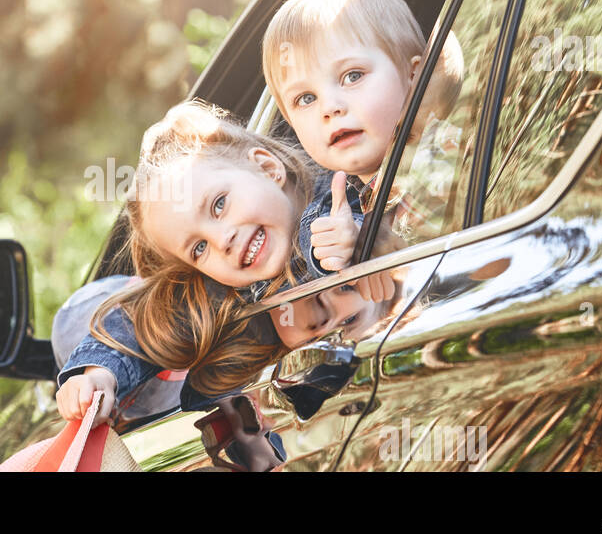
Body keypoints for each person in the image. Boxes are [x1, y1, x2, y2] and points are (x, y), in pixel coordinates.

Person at [56, 102, 390, 423]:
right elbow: (143, 326)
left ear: (267, 167)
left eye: (219, 205)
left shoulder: (341, 194)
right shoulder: (227, 292)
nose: (222, 241)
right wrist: (98, 374)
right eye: (199, 248)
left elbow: (351, 230)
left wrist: (355, 239)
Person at [262, 0, 464, 257]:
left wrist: (365, 247)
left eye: (352, 76)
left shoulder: (444, 151)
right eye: (306, 98)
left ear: (413, 75)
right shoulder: (327, 203)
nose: (330, 108)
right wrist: (340, 247)